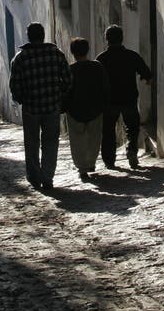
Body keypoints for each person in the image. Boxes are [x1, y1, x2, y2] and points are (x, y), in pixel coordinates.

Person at [9, 22, 71, 191]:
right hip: (52, 107)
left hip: (31, 109)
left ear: (28, 36)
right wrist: (58, 95)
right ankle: (48, 177)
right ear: (43, 35)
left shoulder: (20, 58)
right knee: (51, 142)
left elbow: (14, 86)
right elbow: (67, 79)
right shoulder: (56, 54)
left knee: (31, 143)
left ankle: (35, 177)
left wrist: (22, 99)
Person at [97, 24, 152, 170]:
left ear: (107, 40)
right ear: (122, 39)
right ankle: (132, 150)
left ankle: (109, 160)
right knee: (132, 128)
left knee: (108, 130)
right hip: (129, 98)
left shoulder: (101, 59)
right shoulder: (132, 56)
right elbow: (147, 74)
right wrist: (147, 80)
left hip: (109, 101)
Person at [63, 38, 109, 181]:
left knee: (77, 140)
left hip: (75, 110)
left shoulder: (70, 69)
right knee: (94, 138)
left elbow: (66, 90)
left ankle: (82, 168)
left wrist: (64, 107)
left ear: (72, 52)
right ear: (87, 50)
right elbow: (105, 86)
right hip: (95, 108)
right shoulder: (97, 66)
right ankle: (90, 163)